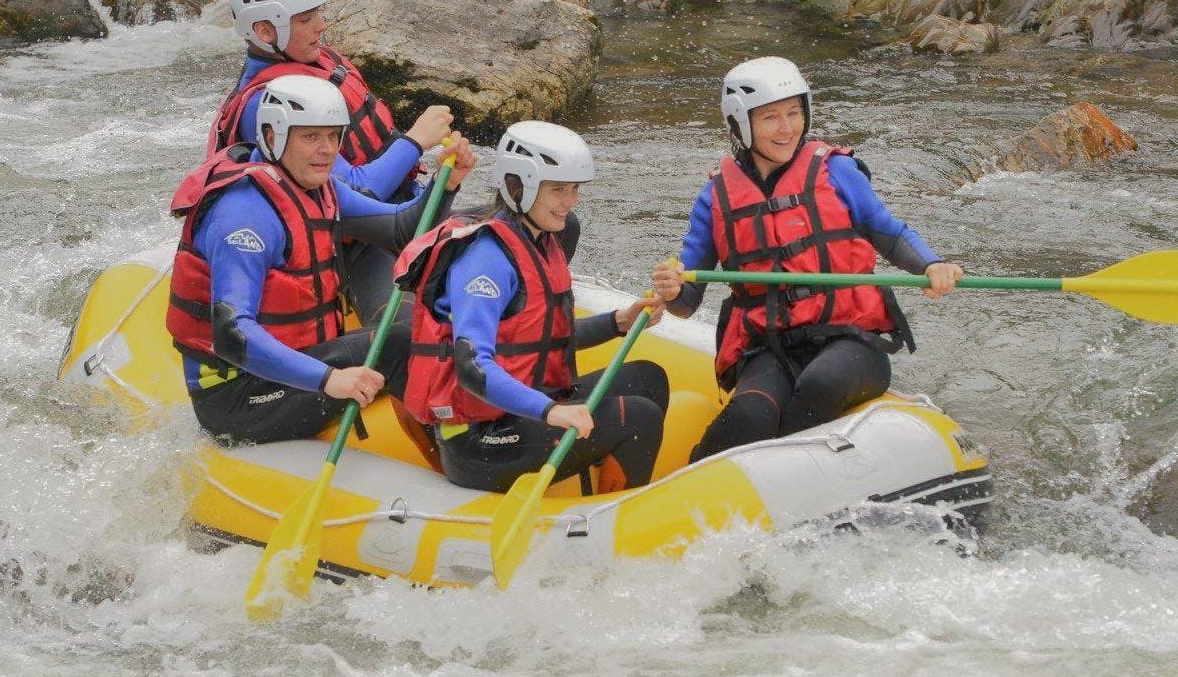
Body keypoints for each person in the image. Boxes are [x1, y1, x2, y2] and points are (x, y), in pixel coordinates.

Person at [650, 57, 963, 462]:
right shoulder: (716, 197)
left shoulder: (837, 171)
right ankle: (694, 484)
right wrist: (672, 289)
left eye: (794, 113)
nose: (787, 128)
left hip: (851, 341)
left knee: (821, 385)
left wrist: (931, 264)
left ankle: (781, 469)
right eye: (770, 118)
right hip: (770, 348)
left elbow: (890, 232)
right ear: (740, 124)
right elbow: (686, 303)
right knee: (748, 415)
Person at [169, 75, 475, 445]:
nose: (327, 150)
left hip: (296, 363)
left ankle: (467, 427)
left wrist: (446, 182)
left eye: (333, 136)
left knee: (425, 325)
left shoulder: (313, 184)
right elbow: (233, 334)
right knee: (404, 343)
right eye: (310, 137)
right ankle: (468, 456)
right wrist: (329, 379)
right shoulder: (244, 216)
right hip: (239, 398)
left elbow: (401, 230)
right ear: (272, 135)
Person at [394, 122, 669, 493]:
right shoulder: (486, 261)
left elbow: (538, 339)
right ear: (517, 187)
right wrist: (550, 411)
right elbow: (472, 367)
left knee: (649, 379)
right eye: (558, 190)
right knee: (637, 416)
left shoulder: (537, 239)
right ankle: (610, 517)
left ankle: (601, 477)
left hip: (523, 408)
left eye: (574, 189)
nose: (570, 202)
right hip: (480, 440)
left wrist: (619, 322)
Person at [207, 0, 456, 322]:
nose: (321, 26)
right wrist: (415, 140)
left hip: (401, 207)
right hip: (354, 244)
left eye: (319, 13)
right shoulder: (267, 106)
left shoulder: (322, 63)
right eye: (305, 19)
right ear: (264, 30)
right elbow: (350, 190)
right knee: (405, 330)